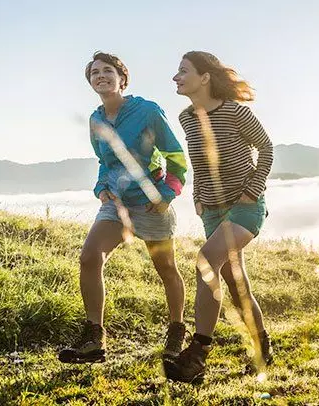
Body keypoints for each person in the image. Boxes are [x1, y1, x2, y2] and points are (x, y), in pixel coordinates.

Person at [58, 52, 188, 364]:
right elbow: (105, 161)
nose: (100, 76)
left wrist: (167, 194)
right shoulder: (96, 120)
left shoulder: (147, 111)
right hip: (116, 205)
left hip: (151, 203)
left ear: (122, 78)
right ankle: (94, 338)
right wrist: (102, 189)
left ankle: (176, 331)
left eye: (107, 71)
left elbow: (175, 156)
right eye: (94, 73)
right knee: (89, 257)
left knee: (166, 269)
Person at [164, 51, 274, 383]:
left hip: (244, 206)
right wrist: (198, 197)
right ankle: (262, 349)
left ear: (205, 77)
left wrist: (253, 190)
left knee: (206, 262)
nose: (175, 77)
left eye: (183, 71)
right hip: (211, 210)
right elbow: (200, 161)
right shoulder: (186, 118)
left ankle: (197, 354)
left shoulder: (235, 112)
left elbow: (266, 148)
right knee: (236, 285)